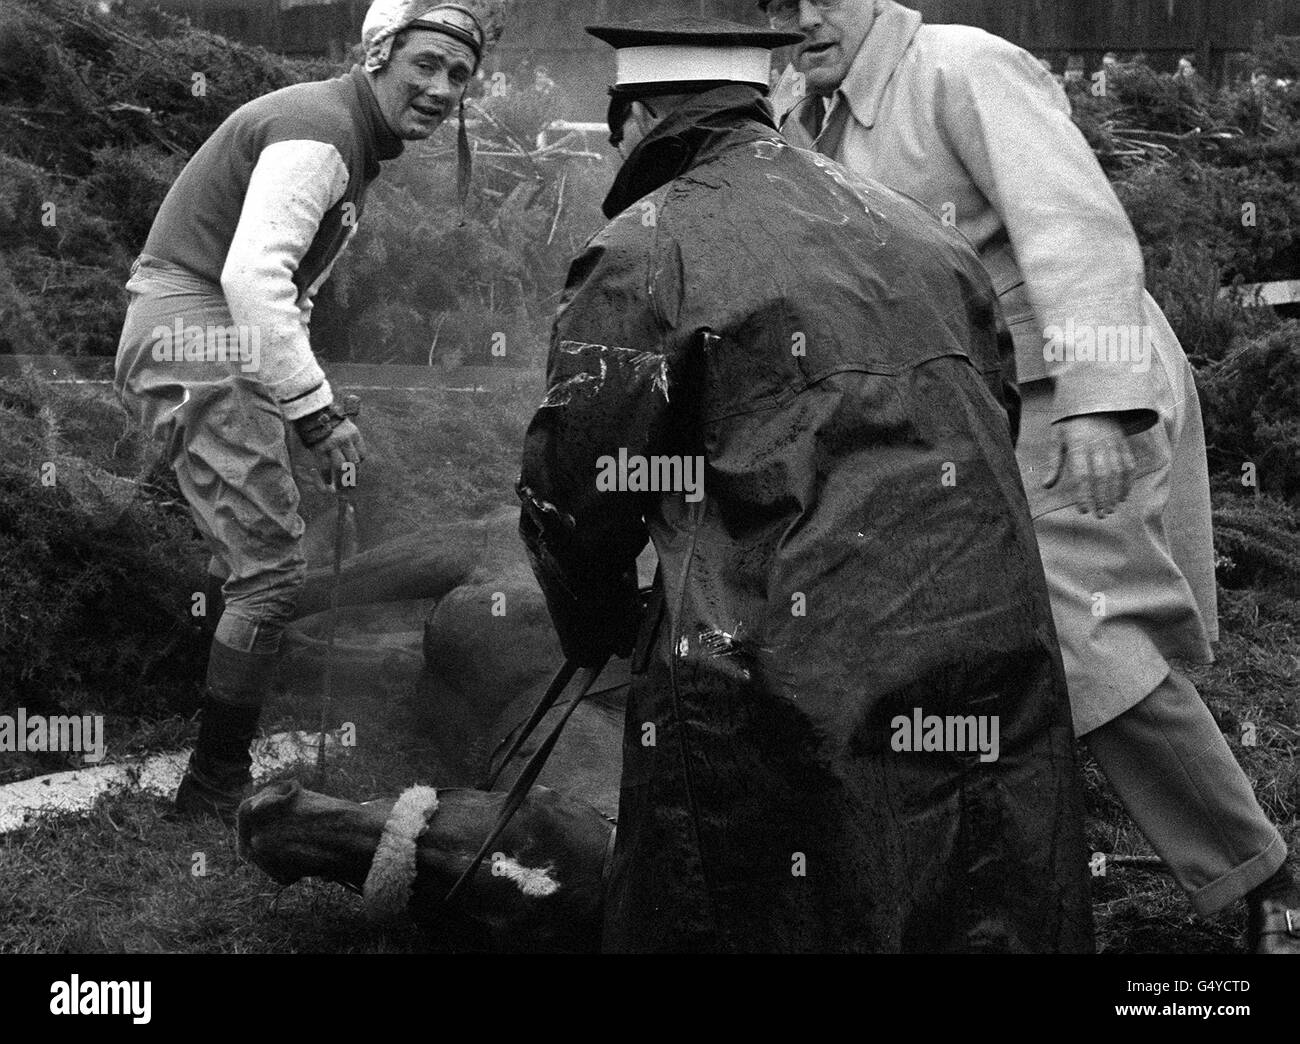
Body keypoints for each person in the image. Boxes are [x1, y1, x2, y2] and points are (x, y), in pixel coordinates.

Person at [518, 14, 1092, 953]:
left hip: (775, 684)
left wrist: (596, 627)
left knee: (758, 908)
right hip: (993, 649)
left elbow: (575, 495)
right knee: (982, 894)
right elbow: (992, 416)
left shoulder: (642, 249)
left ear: (636, 116)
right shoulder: (924, 237)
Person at [766, 0, 1300, 952]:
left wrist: (1101, 400)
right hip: (967, 410)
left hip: (1076, 386)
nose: (802, 19)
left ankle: (1264, 891)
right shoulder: (811, 111)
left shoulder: (961, 67)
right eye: (777, 3)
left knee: (1085, 628)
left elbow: (1075, 226)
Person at [114, 0, 512, 822]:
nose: (441, 89)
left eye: (458, 76)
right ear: (378, 56)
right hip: (196, 332)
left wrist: (310, 407)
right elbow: (253, 282)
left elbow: (277, 302)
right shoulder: (321, 130)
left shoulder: (342, 131)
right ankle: (213, 787)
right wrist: (320, 417)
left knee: (249, 552)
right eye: (424, 65)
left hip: (198, 330)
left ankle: (214, 739)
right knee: (270, 568)